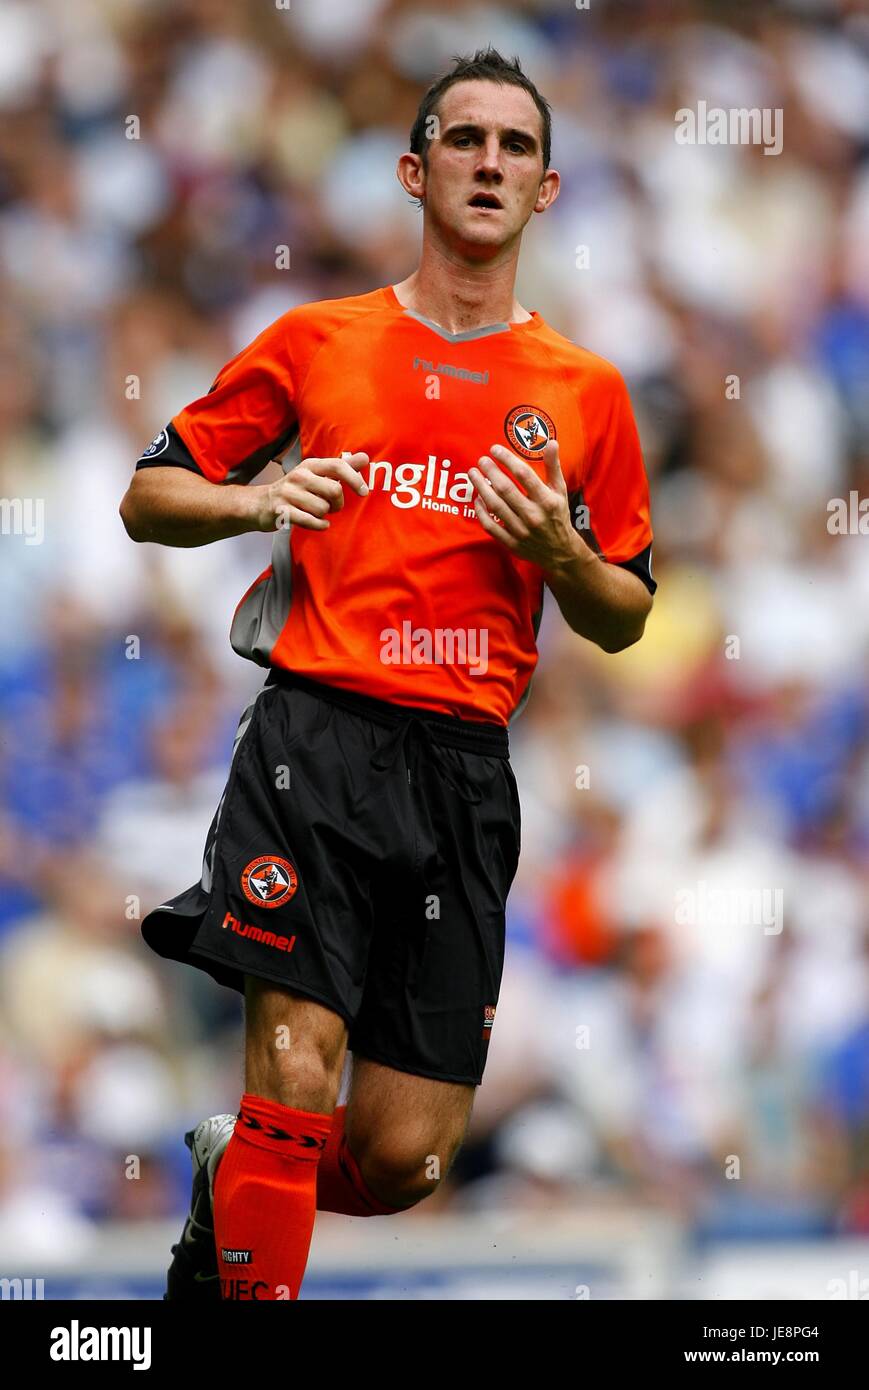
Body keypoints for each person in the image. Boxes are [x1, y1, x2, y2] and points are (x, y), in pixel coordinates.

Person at [119, 47, 655, 1302]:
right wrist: (256, 501)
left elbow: (625, 613)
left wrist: (556, 547)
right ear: (415, 171)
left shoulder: (587, 393)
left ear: (547, 188)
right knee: (294, 1063)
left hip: (464, 770)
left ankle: (228, 1173)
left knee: (405, 1155)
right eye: (462, 140)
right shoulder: (318, 342)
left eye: (513, 147)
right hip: (316, 736)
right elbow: (148, 496)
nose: (487, 163)